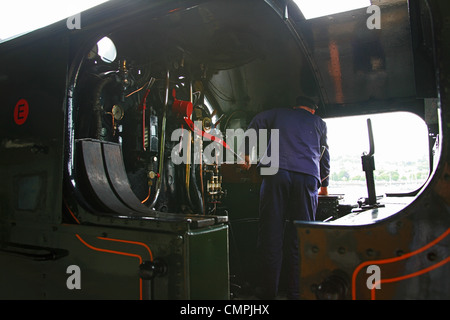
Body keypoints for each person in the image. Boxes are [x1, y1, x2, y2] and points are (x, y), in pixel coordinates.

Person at [240, 96, 330, 299]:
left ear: (294, 105)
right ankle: (297, 292)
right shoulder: (319, 123)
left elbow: (255, 123)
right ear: (313, 110)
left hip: (276, 172)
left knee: (271, 235)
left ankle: (268, 293)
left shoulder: (278, 113)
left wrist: (246, 153)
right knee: (302, 236)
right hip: (308, 177)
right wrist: (324, 184)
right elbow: (325, 153)